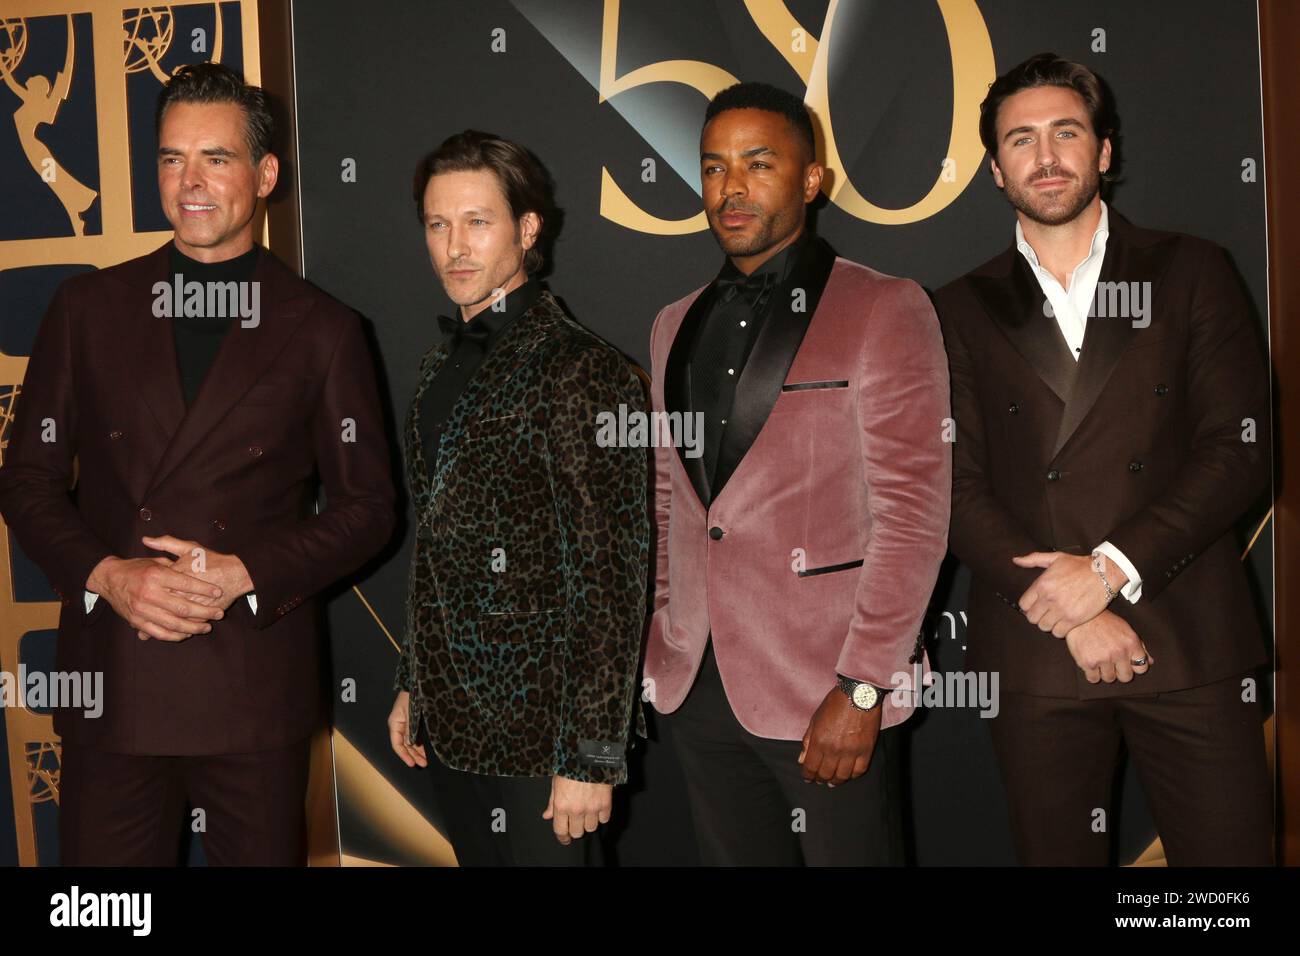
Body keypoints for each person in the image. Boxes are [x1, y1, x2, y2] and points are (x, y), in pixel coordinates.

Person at [0, 63, 395, 865]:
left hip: (251, 690)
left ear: (266, 173)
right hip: (117, 684)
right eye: (172, 159)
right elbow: (27, 481)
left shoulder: (325, 330)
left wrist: (247, 571)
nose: (191, 183)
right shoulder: (87, 309)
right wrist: (108, 574)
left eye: (216, 158)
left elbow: (369, 508)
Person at [933, 52, 1273, 865]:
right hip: (1039, 650)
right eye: (1021, 140)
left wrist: (1111, 569)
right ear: (995, 169)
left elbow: (1242, 451)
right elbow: (948, 484)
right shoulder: (956, 307)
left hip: (1189, 638)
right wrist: (1071, 607)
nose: (1045, 156)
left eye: (1066, 132)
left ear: (1105, 151)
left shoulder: (1190, 270)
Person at [643, 82, 951, 866]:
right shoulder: (672, 324)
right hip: (698, 690)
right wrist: (661, 637)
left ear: (811, 180)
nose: (731, 187)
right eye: (714, 167)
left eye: (758, 163)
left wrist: (863, 689)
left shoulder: (885, 307)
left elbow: (913, 515)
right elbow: (669, 504)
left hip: (827, 692)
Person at [386, 131, 648, 866]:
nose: (454, 247)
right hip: (451, 725)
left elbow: (613, 578)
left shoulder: (582, 369)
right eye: (437, 225)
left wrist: (592, 757)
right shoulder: (439, 365)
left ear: (528, 229)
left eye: (478, 221)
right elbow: (437, 547)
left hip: (544, 742)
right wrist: (415, 682)